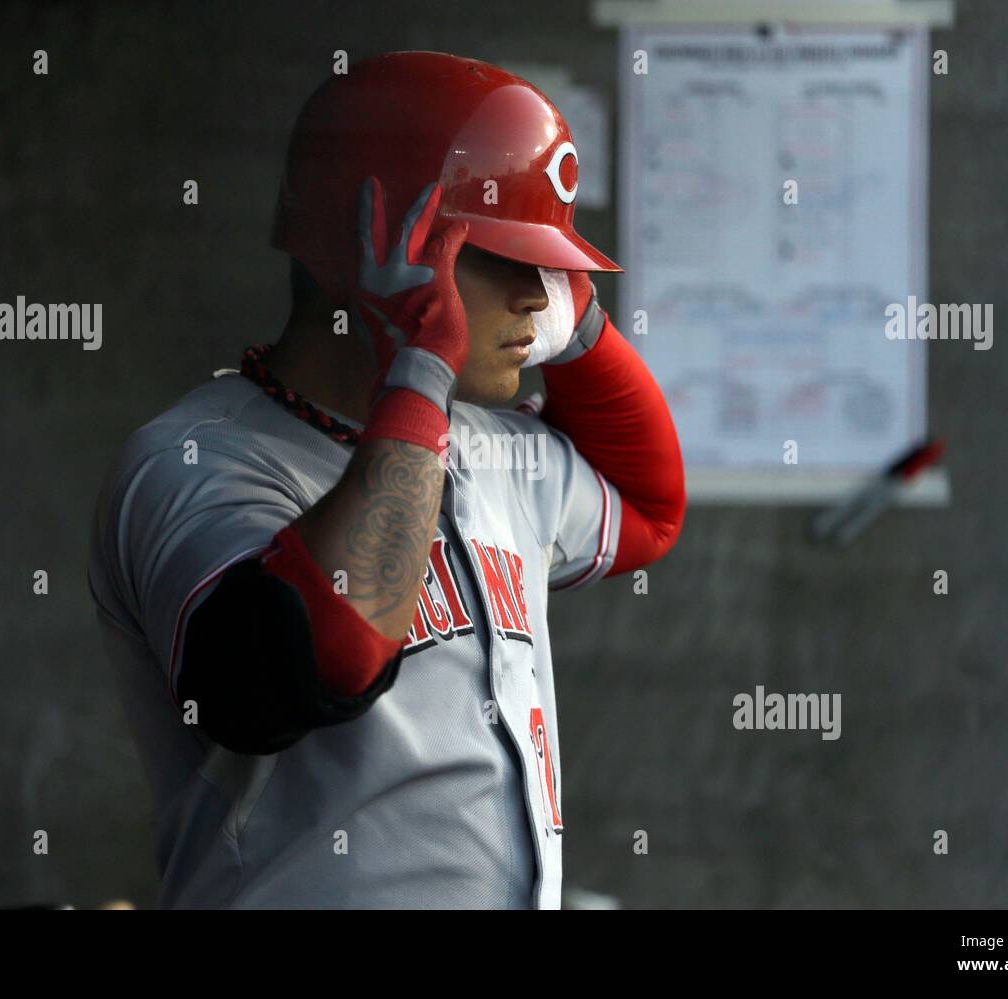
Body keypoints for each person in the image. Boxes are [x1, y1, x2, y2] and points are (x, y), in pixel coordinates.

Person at [87, 51, 685, 909]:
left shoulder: (494, 447)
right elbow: (317, 661)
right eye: (500, 255)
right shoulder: (194, 461)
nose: (538, 294)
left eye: (548, 268)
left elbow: (649, 509)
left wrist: (578, 320)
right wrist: (419, 374)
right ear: (364, 250)